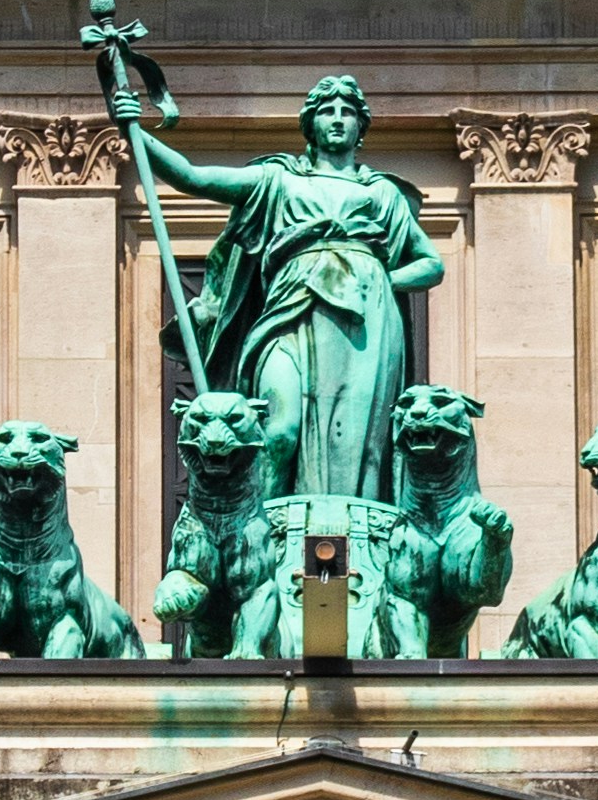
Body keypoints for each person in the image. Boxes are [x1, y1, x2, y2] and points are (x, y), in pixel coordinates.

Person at [139, 69, 444, 512]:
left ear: (361, 129)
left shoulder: (382, 195)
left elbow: (431, 264)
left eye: (347, 112)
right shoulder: (278, 181)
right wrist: (133, 131)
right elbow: (194, 178)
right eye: (326, 111)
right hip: (289, 313)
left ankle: (347, 543)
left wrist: (380, 280)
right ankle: (255, 533)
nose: (337, 119)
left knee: (357, 442)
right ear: (310, 125)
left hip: (367, 323)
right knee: (278, 427)